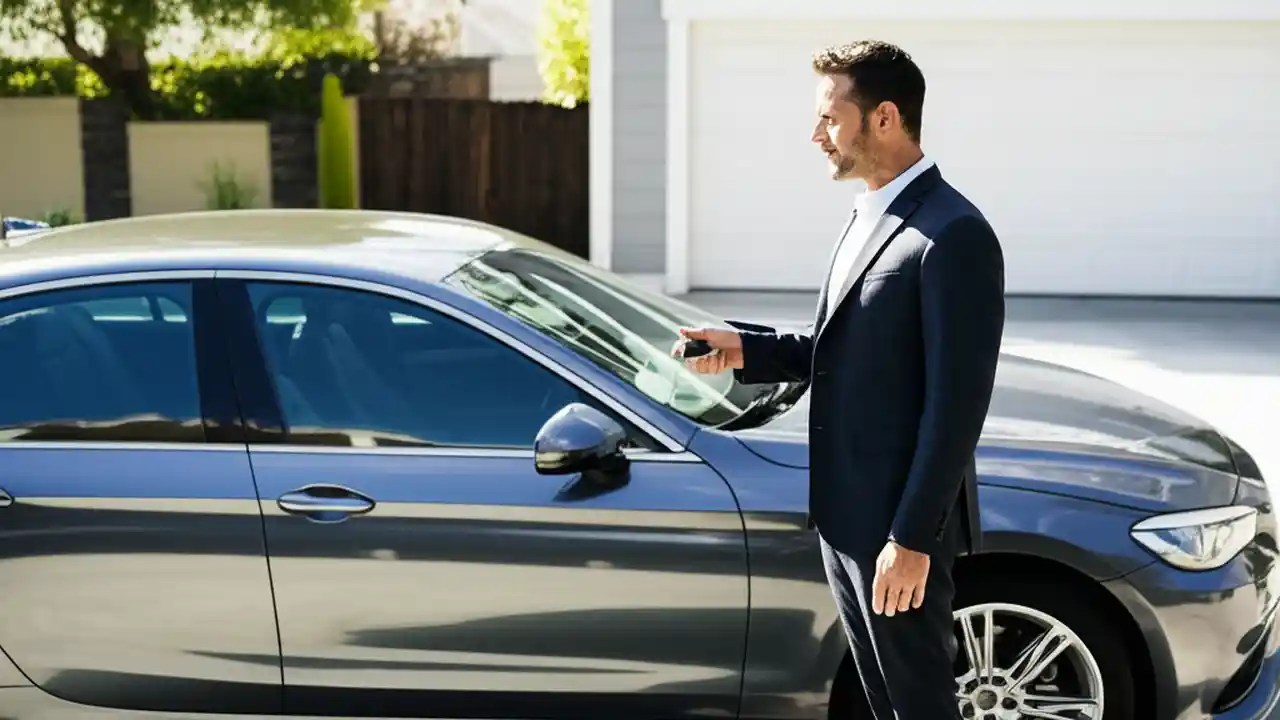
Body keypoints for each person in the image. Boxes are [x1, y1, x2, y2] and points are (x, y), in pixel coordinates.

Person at [675, 40, 1005, 720]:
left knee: (918, 704)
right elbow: (847, 351)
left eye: (829, 118)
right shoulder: (868, 214)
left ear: (884, 117)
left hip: (896, 528)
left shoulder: (954, 235)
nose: (815, 135)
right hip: (846, 519)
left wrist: (911, 540)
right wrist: (749, 351)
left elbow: (956, 406)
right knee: (883, 702)